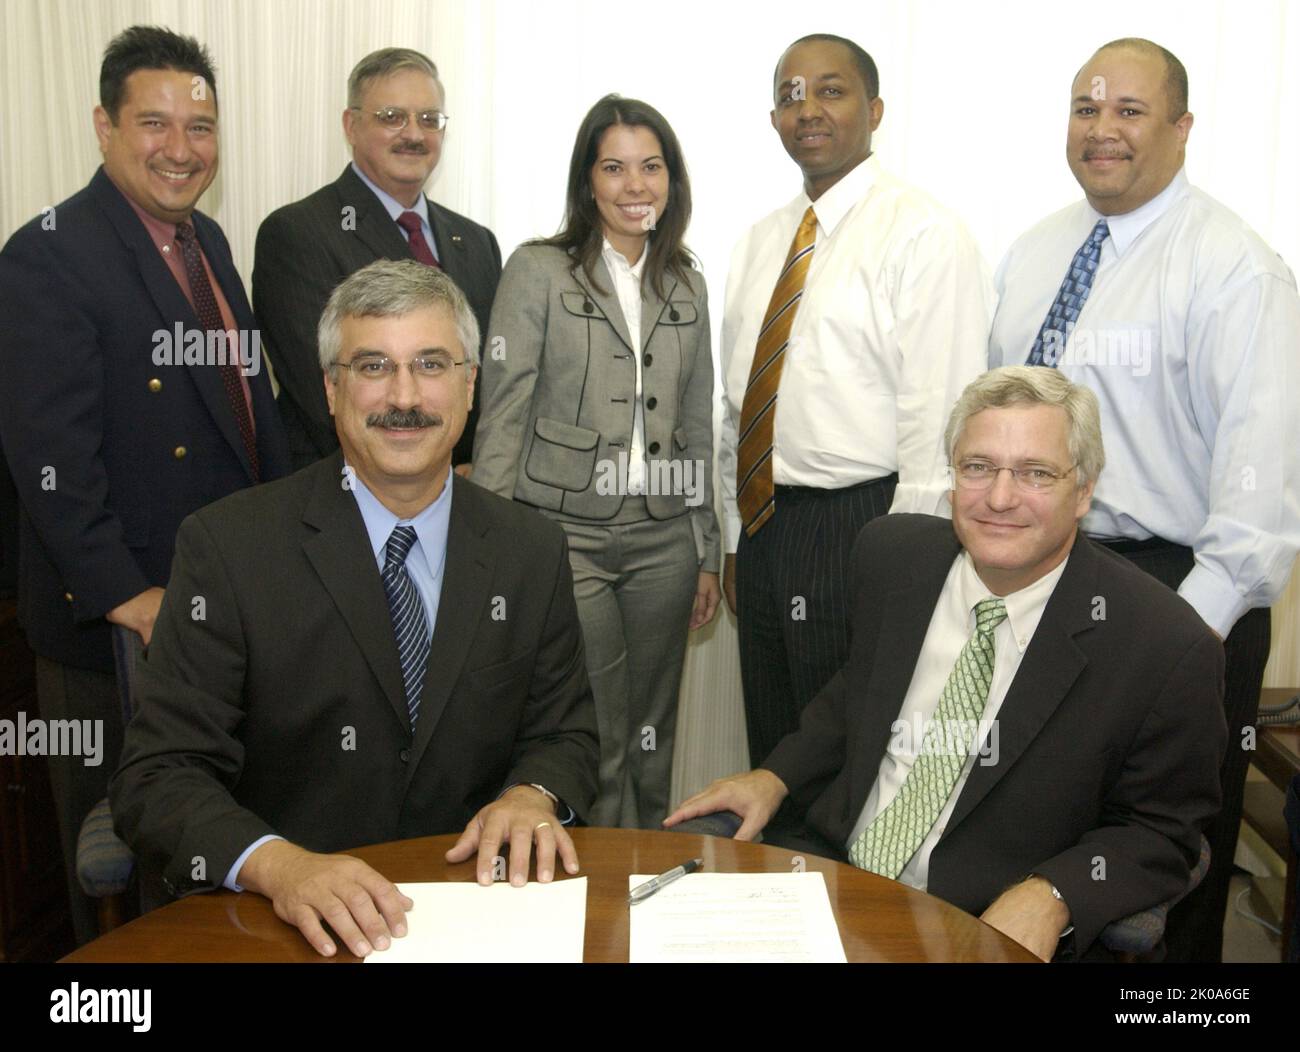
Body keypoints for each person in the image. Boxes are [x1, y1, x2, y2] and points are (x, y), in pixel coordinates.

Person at [110, 259, 598, 958]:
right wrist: (283, 867)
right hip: (289, 924)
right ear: (332, 391)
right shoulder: (228, 547)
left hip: (482, 914)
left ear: (469, 386)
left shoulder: (531, 548)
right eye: (373, 368)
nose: (405, 396)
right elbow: (158, 777)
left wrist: (532, 794)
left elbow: (566, 733)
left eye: (431, 364)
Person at [668, 367, 1226, 961]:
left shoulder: (1163, 643)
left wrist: (1056, 892)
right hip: (835, 883)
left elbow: (1162, 833)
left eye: (1035, 473)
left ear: (1084, 490)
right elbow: (854, 693)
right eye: (978, 467)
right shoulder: (892, 556)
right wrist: (773, 776)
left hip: (984, 923)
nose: (1000, 497)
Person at [989, 37, 1300, 961]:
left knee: (1167, 878)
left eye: (1130, 110)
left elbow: (1261, 503)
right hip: (1047, 580)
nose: (1103, 130)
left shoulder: (1234, 267)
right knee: (1048, 856)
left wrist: (1167, 643)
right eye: (1087, 109)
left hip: (1181, 597)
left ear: (1182, 128)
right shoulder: (1037, 248)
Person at [0, 25, 289, 945]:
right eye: (154, 123)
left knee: (212, 859)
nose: (182, 147)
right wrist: (128, 595)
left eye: (200, 126)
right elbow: (46, 458)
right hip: (117, 632)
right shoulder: (48, 254)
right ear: (103, 126)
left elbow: (252, 417)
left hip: (216, 609)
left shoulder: (206, 242)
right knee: (120, 869)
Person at [719, 34, 993, 781]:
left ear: (874, 110)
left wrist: (912, 565)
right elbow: (734, 403)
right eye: (789, 94)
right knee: (773, 750)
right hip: (768, 528)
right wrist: (737, 537)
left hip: (864, 526)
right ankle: (779, 892)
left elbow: (942, 415)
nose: (807, 108)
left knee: (852, 759)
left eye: (830, 90)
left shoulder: (926, 233)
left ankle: (851, 899)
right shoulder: (757, 242)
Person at [473, 95, 720, 829]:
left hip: (664, 540)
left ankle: (647, 875)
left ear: (671, 180)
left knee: (653, 732)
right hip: (563, 536)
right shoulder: (538, 270)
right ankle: (603, 896)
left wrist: (708, 550)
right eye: (614, 167)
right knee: (600, 730)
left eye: (650, 167)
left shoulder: (688, 282)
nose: (634, 184)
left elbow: (700, 424)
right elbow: (503, 410)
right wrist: (490, 547)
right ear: (588, 182)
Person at [254, 47, 501, 472]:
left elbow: (487, 379)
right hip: (339, 497)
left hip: (462, 494)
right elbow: (324, 395)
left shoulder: (477, 243)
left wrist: (483, 470)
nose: (414, 134)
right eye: (391, 117)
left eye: (429, 119)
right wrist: (430, 474)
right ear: (351, 125)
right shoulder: (298, 233)